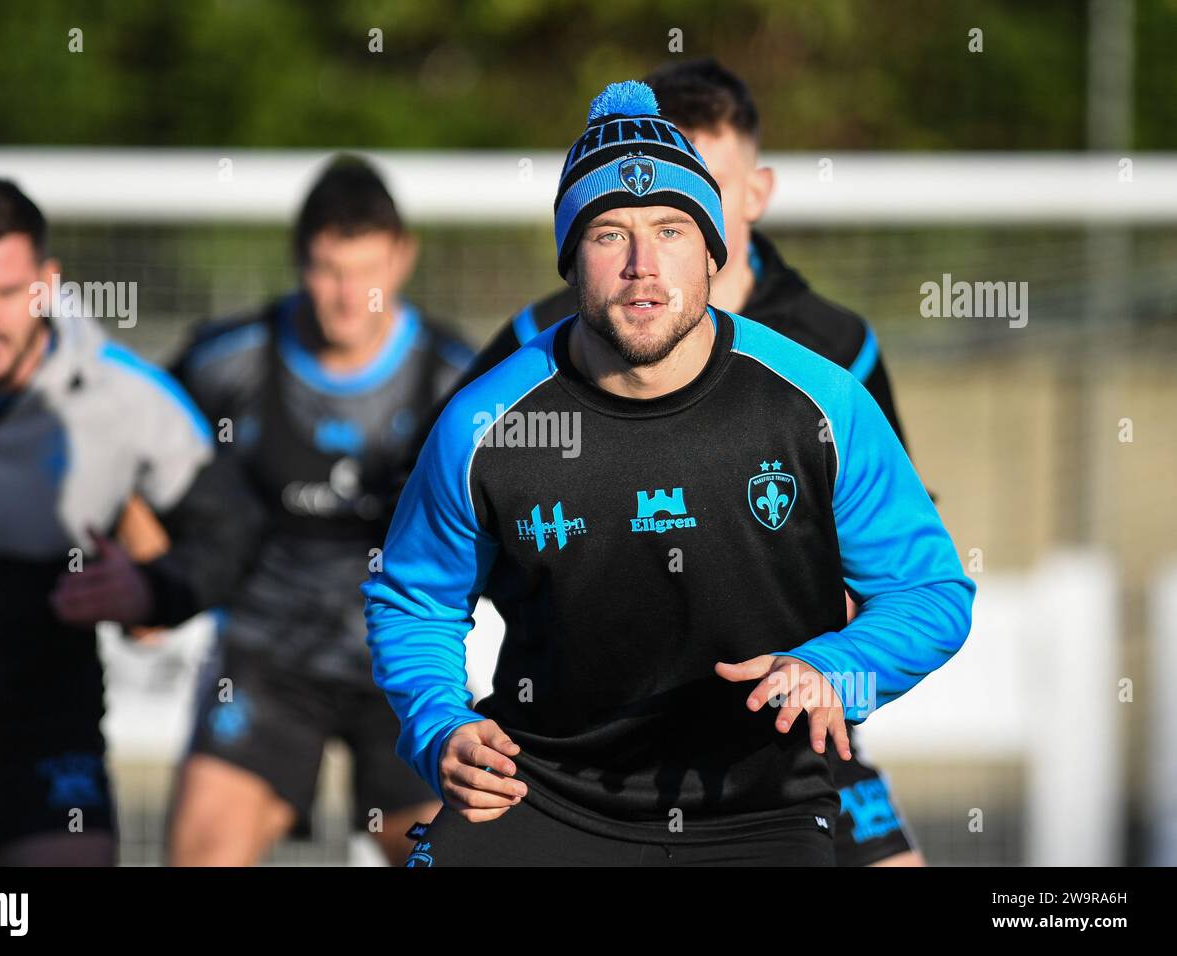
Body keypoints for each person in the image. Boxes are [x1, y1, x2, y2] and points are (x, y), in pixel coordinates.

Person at [364, 81, 975, 866]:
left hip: (761, 803)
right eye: (609, 234)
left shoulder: (818, 404)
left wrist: (840, 667)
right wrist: (439, 726)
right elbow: (412, 597)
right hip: (545, 789)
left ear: (715, 248)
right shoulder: (485, 425)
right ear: (571, 260)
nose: (643, 266)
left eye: (671, 230)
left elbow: (933, 593)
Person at [0, 178, 257, 866]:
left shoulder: (122, 393)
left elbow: (229, 530)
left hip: (40, 711)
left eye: (6, 292)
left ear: (49, 281)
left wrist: (153, 589)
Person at [166, 156, 469, 866]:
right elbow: (128, 442)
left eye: (365, 271)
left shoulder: (460, 378)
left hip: (408, 661)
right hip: (267, 660)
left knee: (456, 860)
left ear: (403, 257)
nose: (347, 296)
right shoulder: (230, 360)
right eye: (328, 271)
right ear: (299, 260)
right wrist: (151, 568)